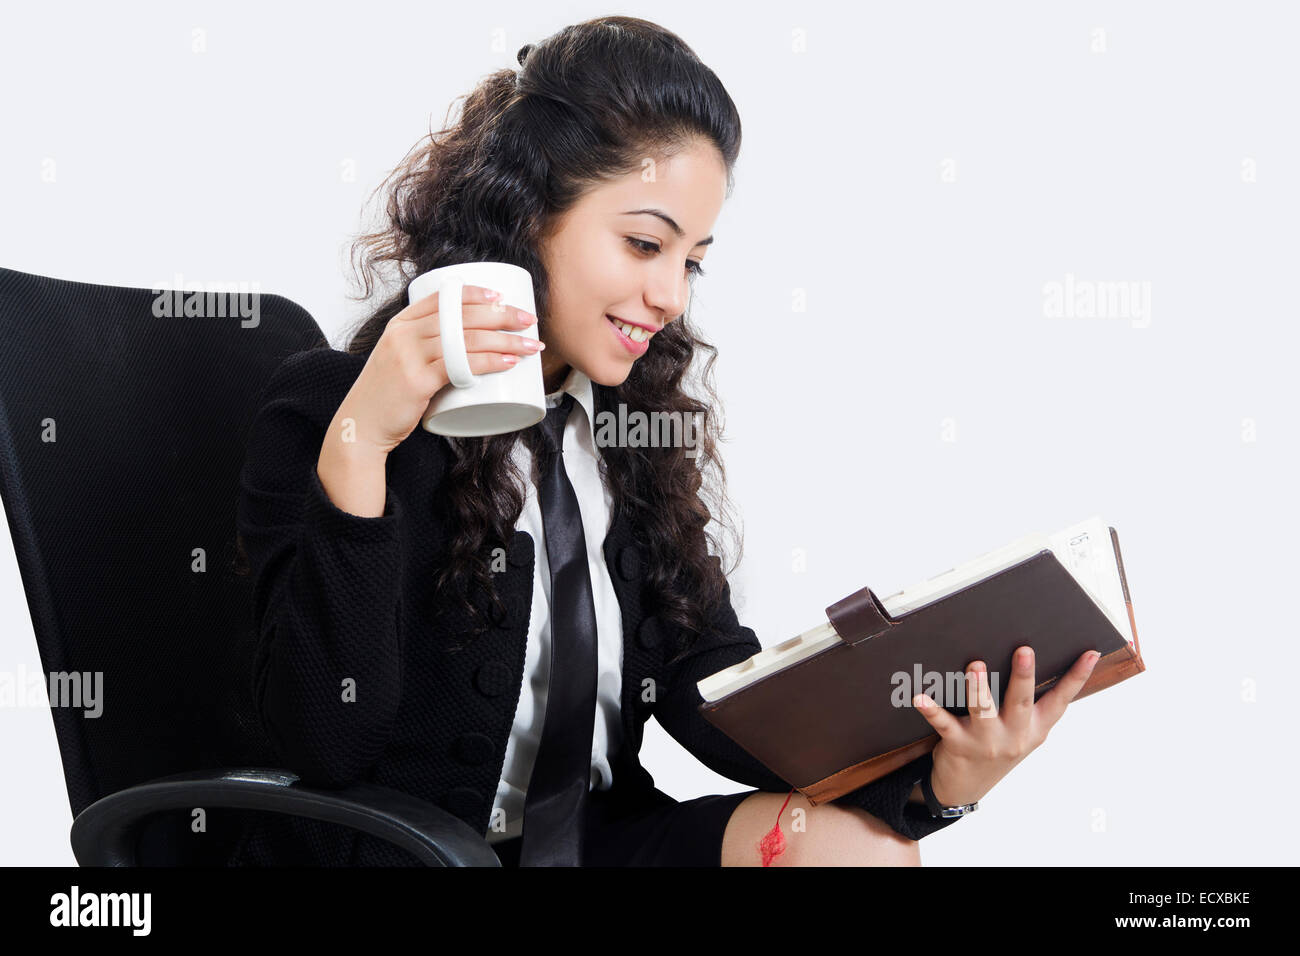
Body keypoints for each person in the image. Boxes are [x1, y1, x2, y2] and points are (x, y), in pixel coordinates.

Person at [230, 15, 1100, 868]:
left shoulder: (630, 431)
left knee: (858, 853)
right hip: (397, 853)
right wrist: (359, 448)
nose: (670, 295)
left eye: (690, 260)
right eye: (644, 243)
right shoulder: (329, 408)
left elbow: (711, 685)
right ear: (527, 217)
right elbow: (326, 744)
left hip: (593, 841)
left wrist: (933, 780)